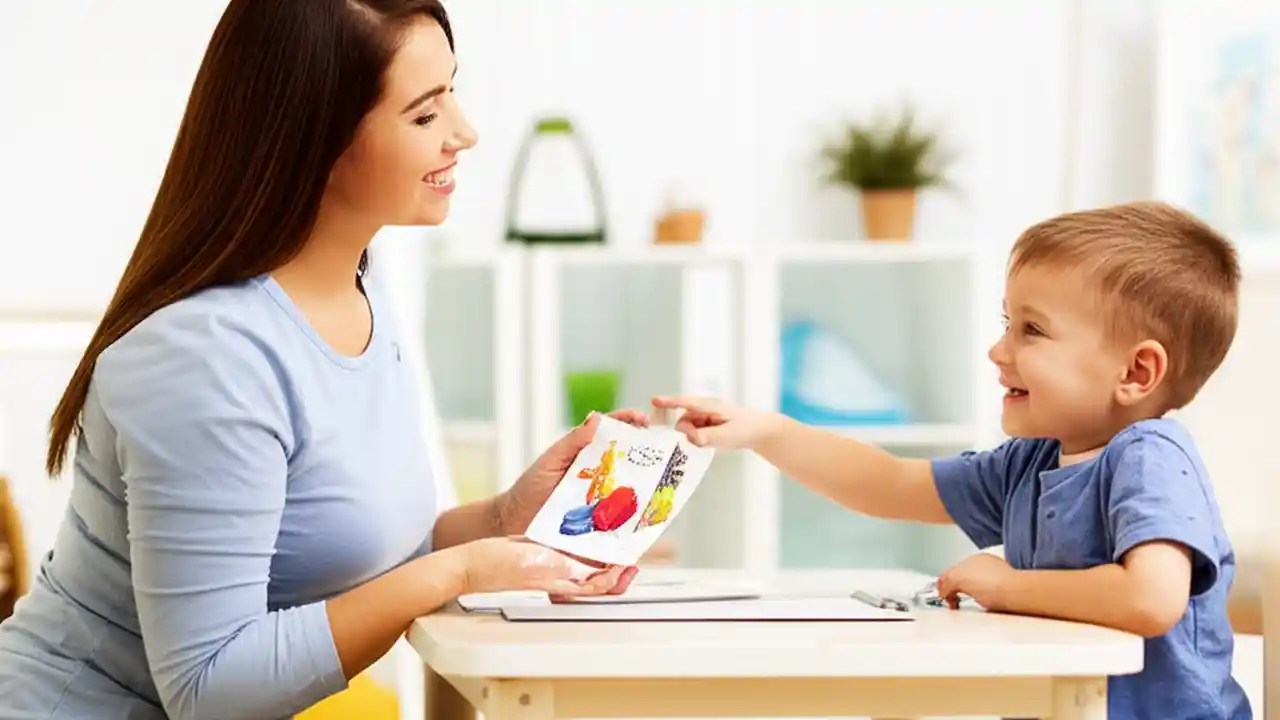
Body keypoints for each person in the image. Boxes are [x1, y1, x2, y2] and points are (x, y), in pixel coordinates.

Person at [0, 2, 640, 718]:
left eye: (452, 93)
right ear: (317, 139)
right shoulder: (207, 360)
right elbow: (208, 689)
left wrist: (502, 517)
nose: (464, 132)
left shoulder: (361, 293)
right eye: (425, 116)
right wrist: (457, 569)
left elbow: (340, 553)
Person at [655, 201, 1252, 719]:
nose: (998, 349)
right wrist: (767, 431)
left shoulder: (1150, 457)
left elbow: (1149, 599)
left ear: (1135, 372)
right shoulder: (1029, 463)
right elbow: (889, 483)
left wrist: (1009, 586)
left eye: (1032, 330)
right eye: (1006, 323)